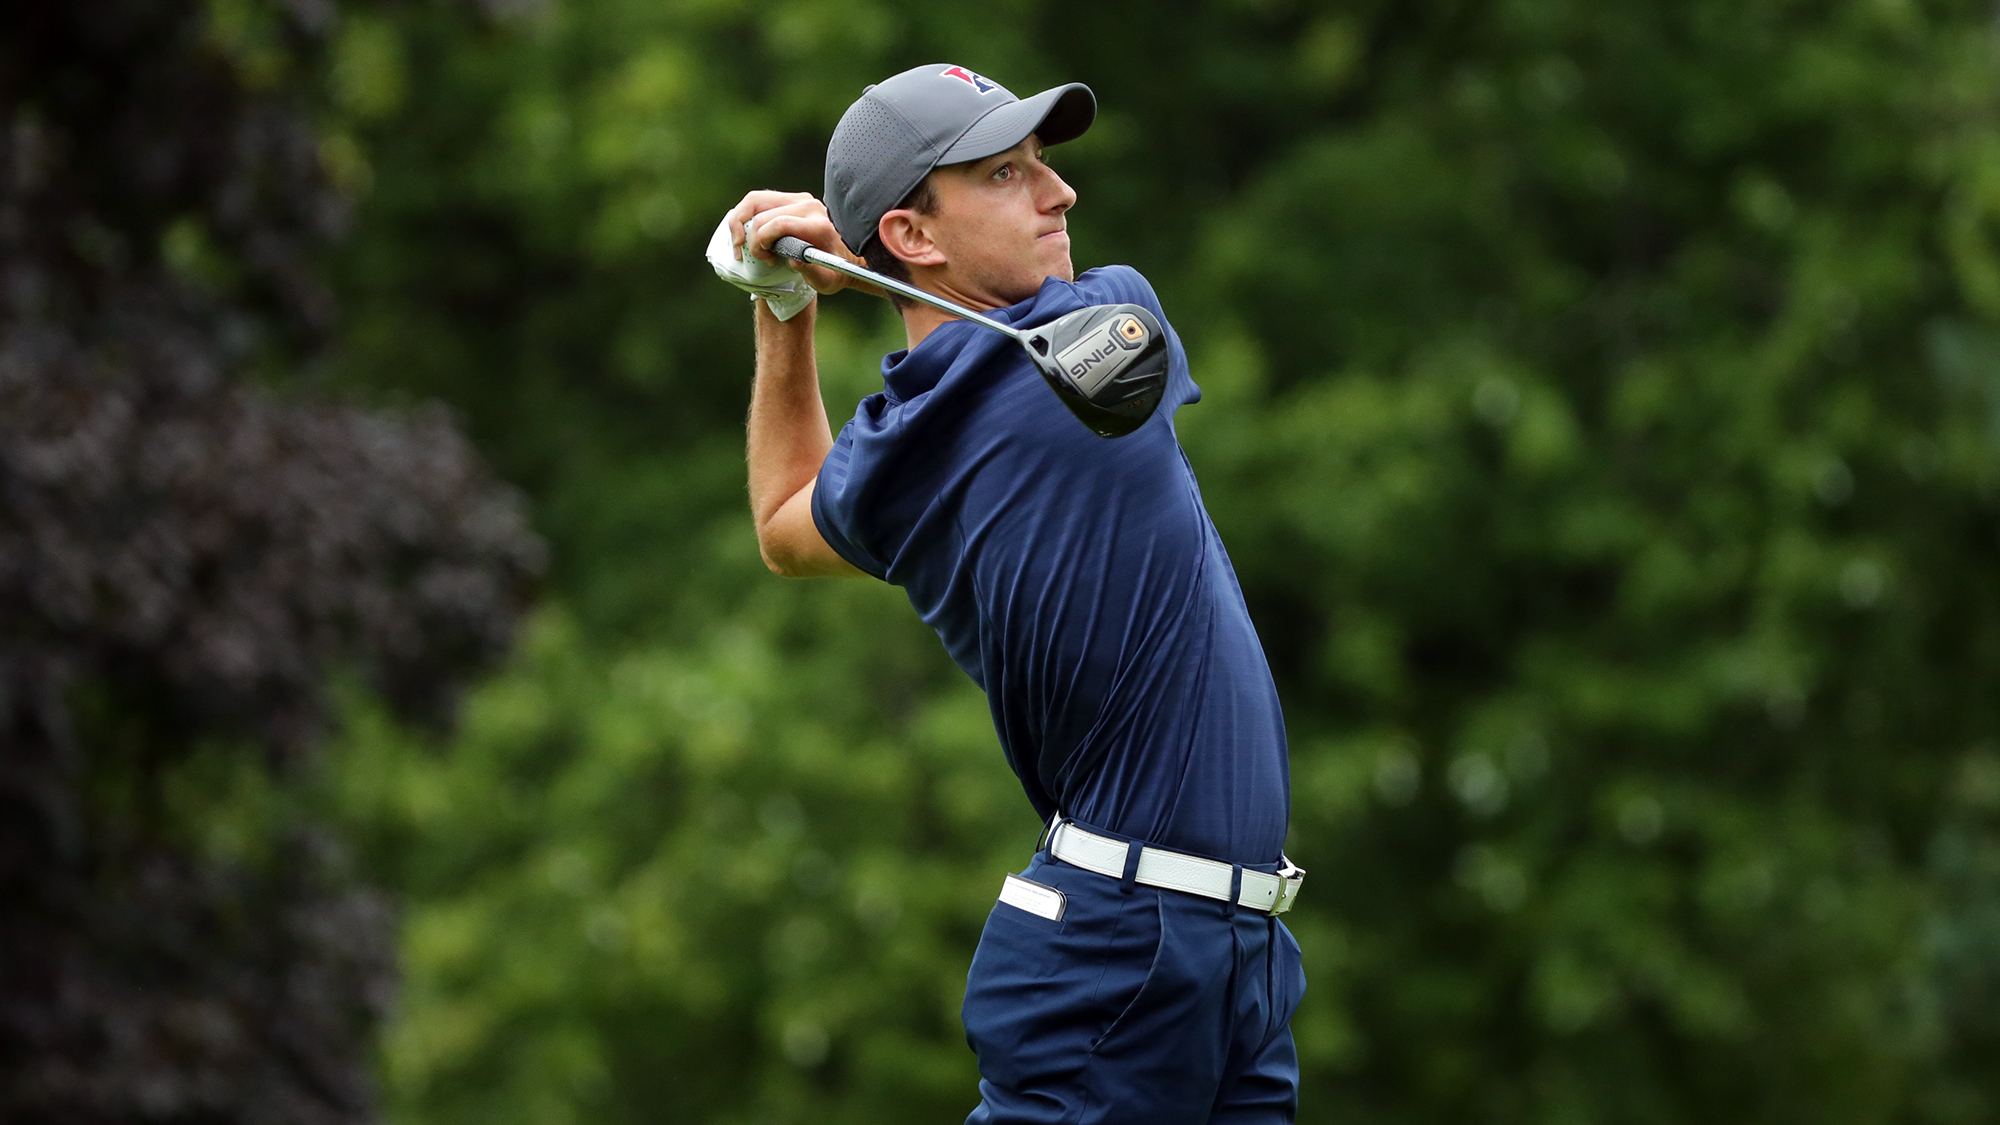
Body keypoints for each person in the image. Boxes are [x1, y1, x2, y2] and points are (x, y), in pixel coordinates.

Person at [714, 63, 1306, 1124]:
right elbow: (790, 524)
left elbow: (784, 521)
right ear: (912, 235)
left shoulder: (905, 451)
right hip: (1121, 951)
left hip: (1227, 956)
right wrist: (821, 283)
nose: (1056, 192)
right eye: (1003, 173)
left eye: (1040, 164)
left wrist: (785, 304)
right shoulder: (1101, 331)